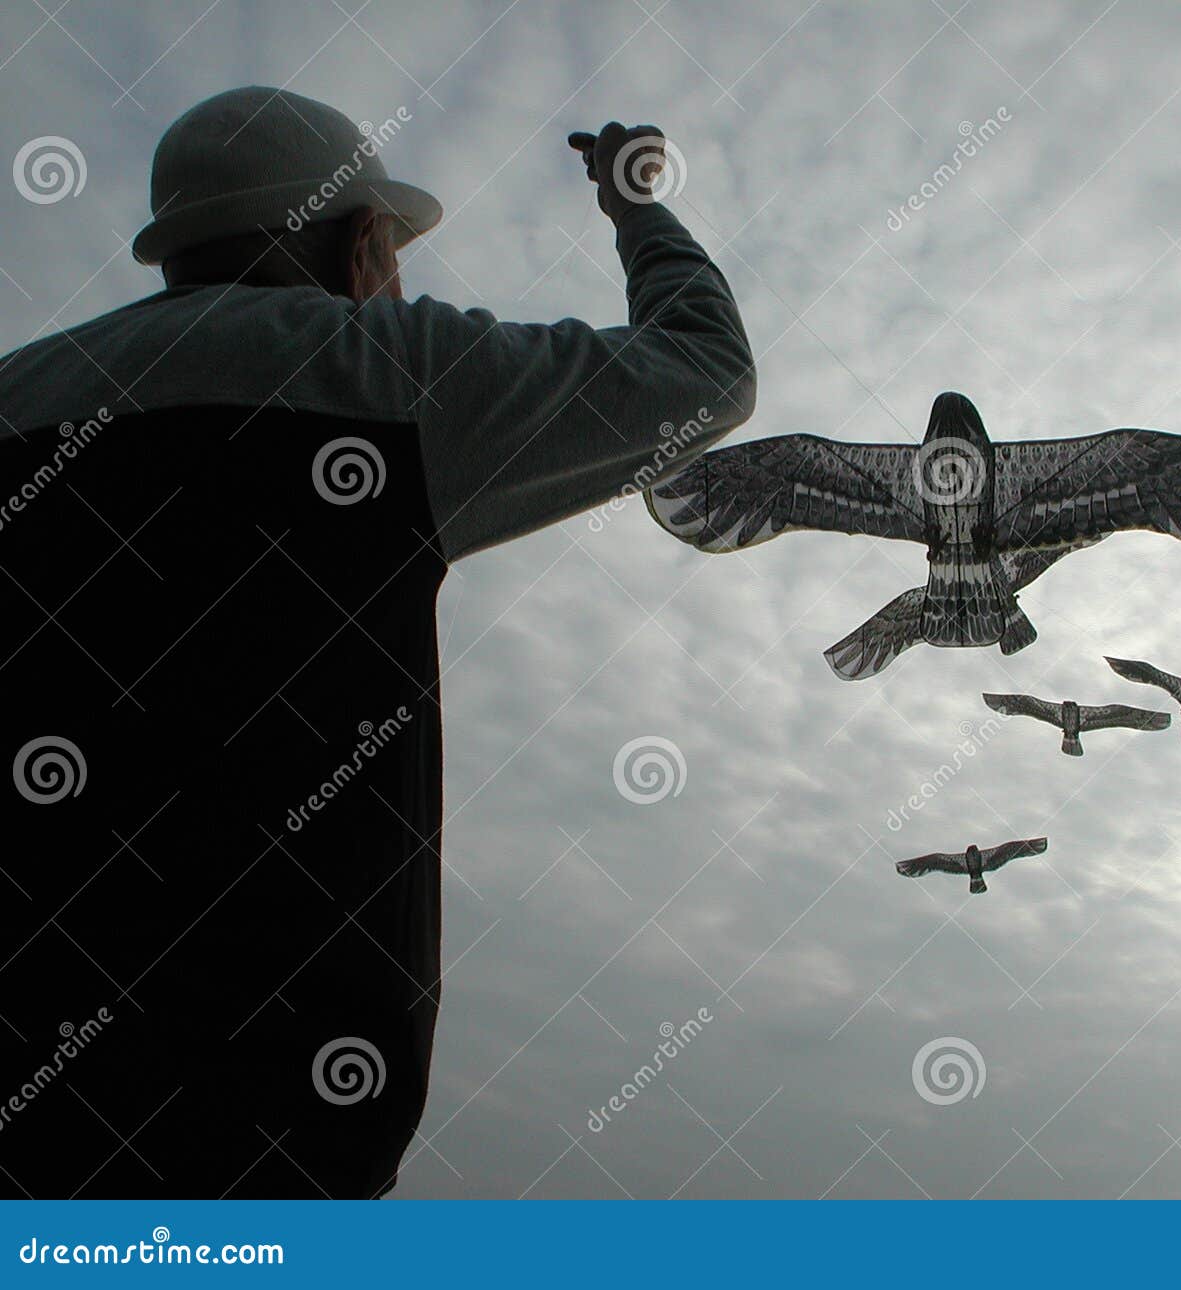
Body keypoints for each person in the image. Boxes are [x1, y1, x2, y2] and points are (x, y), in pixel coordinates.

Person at [0, 86, 754, 1198]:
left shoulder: (19, 400)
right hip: (279, 1126)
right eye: (392, 252)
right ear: (359, 248)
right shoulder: (386, 375)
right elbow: (701, 373)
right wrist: (634, 205)